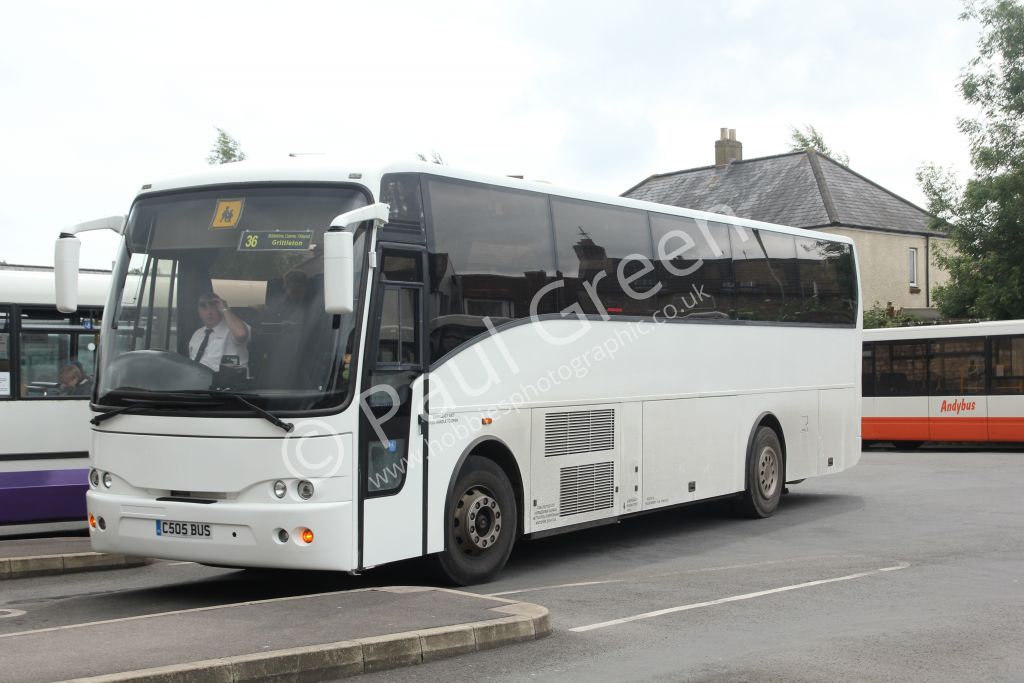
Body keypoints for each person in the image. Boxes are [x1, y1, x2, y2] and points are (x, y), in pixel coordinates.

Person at [188, 291, 250, 373]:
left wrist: (225, 309)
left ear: (219, 309)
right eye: (204, 308)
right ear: (199, 312)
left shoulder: (232, 329)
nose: (209, 312)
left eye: (213, 307)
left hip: (229, 382)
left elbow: (241, 334)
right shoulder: (197, 334)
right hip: (199, 380)